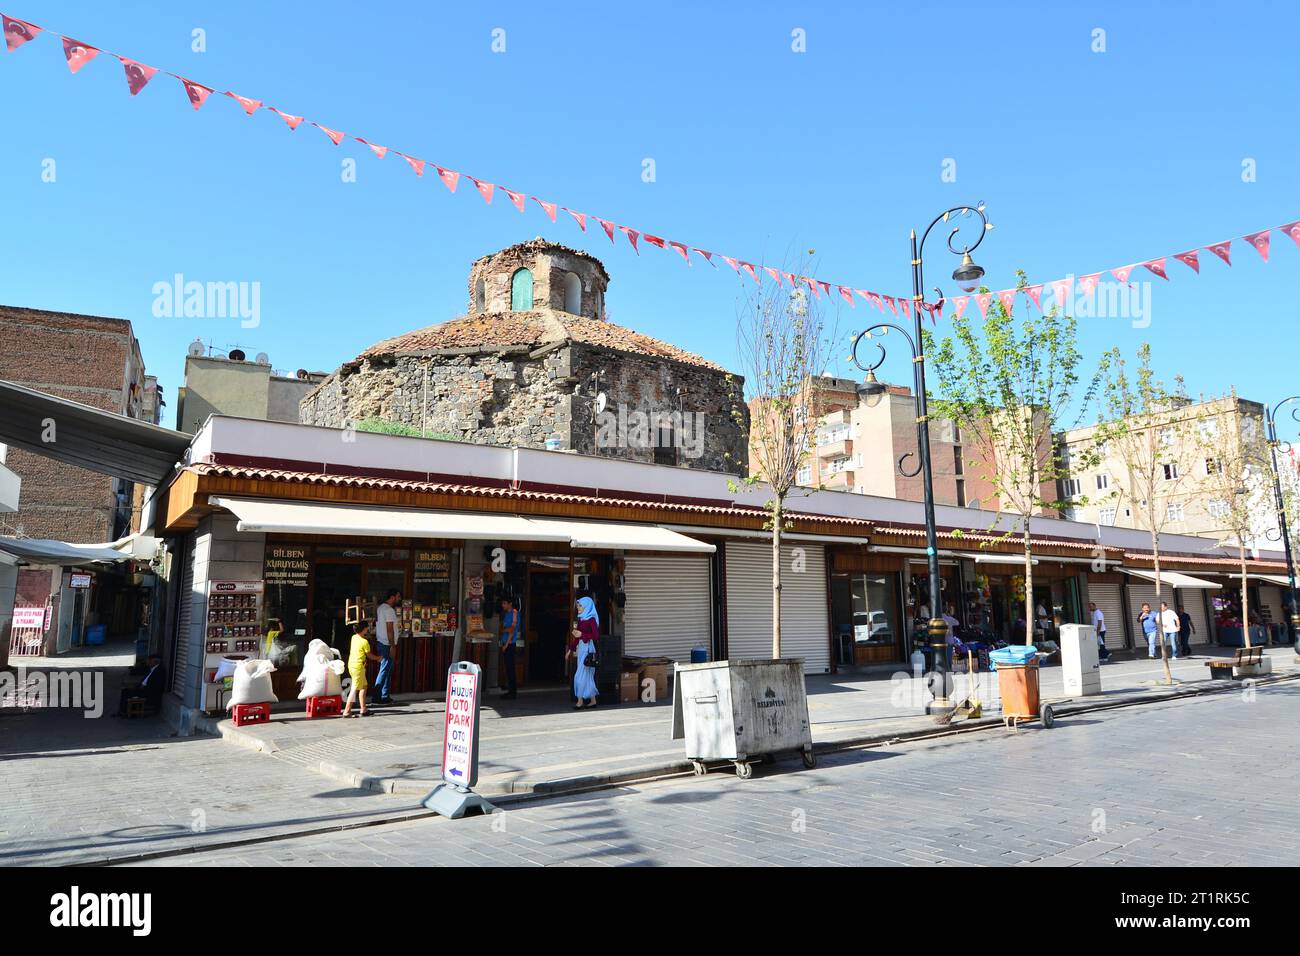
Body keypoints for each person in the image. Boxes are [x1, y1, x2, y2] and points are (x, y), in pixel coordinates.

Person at [342, 621, 380, 718]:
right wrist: (378, 658)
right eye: (367, 628)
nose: (368, 629)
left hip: (353, 665)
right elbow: (369, 655)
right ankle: (346, 711)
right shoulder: (364, 642)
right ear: (364, 629)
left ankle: (363, 709)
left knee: (363, 686)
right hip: (358, 666)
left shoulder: (354, 638)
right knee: (354, 689)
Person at [567, 596, 600, 709]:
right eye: (577, 605)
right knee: (587, 676)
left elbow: (596, 636)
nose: (578, 607)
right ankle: (593, 701)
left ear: (587, 606)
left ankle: (580, 701)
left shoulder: (591, 619)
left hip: (588, 649)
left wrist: (582, 635)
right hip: (581, 648)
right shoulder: (581, 619)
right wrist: (570, 650)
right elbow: (577, 638)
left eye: (580, 605)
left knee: (579, 675)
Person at [372, 588, 401, 705]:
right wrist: (392, 646)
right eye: (398, 596)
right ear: (392, 597)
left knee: (386, 670)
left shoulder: (380, 608)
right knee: (384, 670)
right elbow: (390, 630)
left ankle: (385, 695)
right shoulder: (389, 610)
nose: (399, 599)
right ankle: (377, 697)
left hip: (381, 642)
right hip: (387, 644)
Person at [498, 596, 519, 700]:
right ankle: (510, 690)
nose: (503, 605)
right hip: (505, 642)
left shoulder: (514, 613)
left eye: (504, 603)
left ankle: (513, 692)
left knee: (510, 668)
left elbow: (512, 630)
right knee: (507, 667)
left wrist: (506, 644)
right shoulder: (506, 614)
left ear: (510, 604)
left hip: (510, 644)